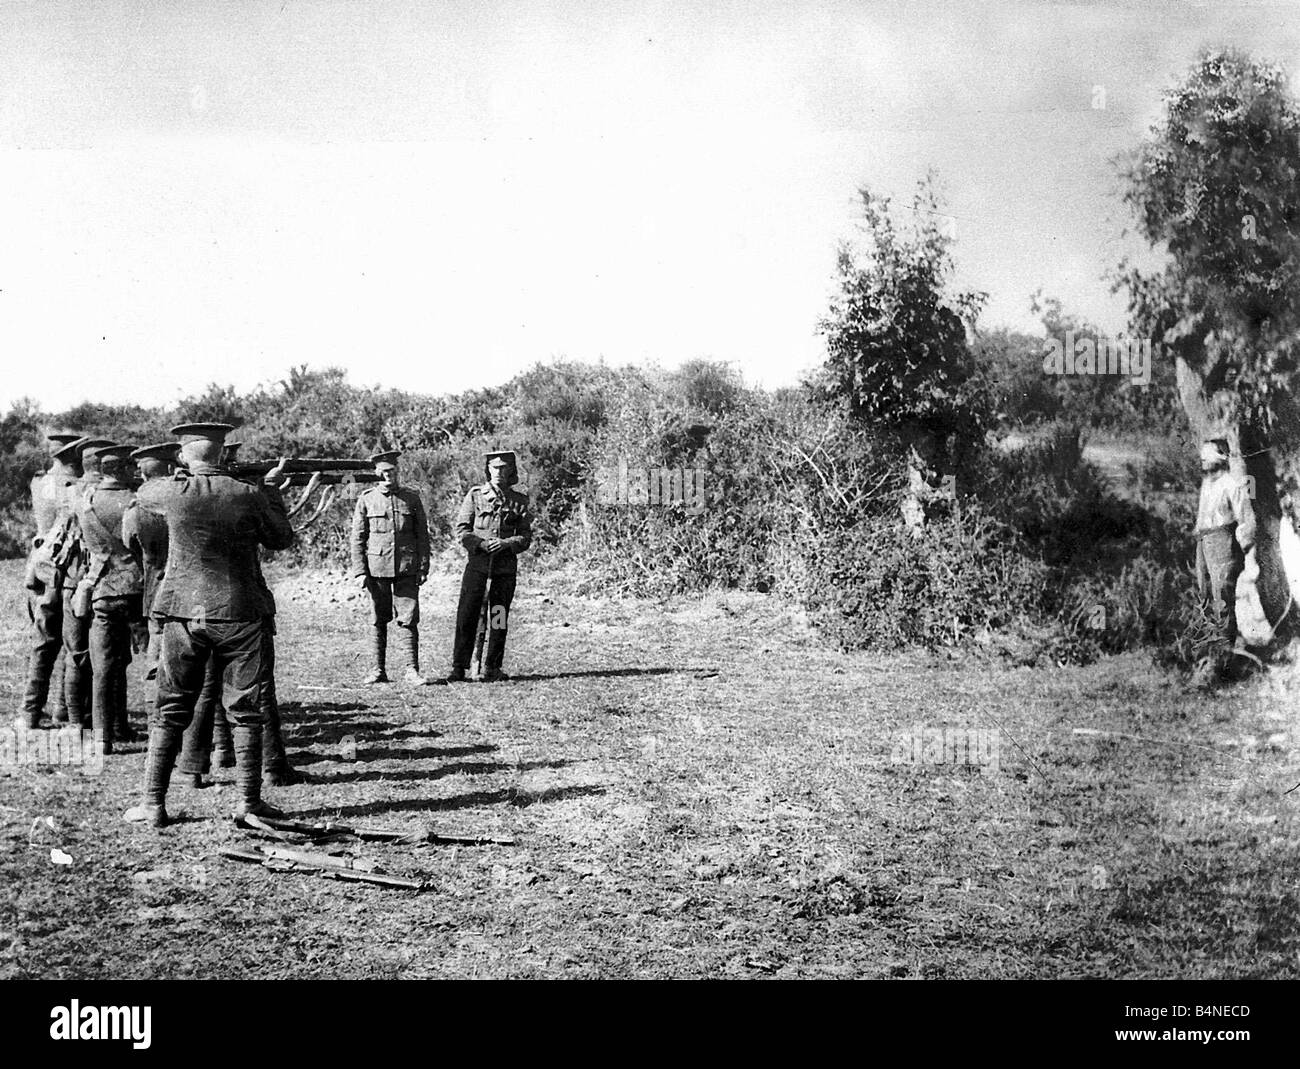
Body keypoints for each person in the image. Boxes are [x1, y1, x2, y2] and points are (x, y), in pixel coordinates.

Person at [123, 423, 294, 828]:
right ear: (221, 455)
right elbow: (281, 538)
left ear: (183, 457)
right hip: (240, 612)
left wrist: (184, 474)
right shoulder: (248, 494)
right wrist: (268, 490)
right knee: (247, 710)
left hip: (184, 612)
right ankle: (248, 804)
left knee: (171, 707)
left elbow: (144, 491)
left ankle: (152, 803)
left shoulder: (170, 492)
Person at [77, 444, 146, 754]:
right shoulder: (134, 501)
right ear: (122, 470)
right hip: (136, 589)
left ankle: (104, 736)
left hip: (102, 590)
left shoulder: (86, 502)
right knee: (150, 660)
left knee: (104, 664)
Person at [350, 450, 436, 685]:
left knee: (408, 619)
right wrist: (359, 571)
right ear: (377, 475)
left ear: (398, 472)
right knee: (378, 619)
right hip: (376, 568)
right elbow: (357, 538)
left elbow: (422, 536)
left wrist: (423, 566)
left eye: (392, 472)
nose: (389, 476)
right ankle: (378, 670)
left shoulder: (411, 498)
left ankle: (411, 670)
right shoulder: (366, 499)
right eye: (384, 473)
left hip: (406, 567)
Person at [448, 450, 532, 682]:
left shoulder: (519, 501)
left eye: (504, 468)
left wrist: (505, 544)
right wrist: (482, 544)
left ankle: (492, 667)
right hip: (477, 567)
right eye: (494, 468)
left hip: (504, 570)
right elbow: (462, 531)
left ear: (511, 471)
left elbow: (525, 537)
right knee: (467, 615)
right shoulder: (475, 496)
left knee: (498, 616)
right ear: (488, 470)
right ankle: (459, 667)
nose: (499, 472)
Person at [19, 433, 83, 728]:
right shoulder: (74, 487)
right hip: (66, 570)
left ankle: (30, 712)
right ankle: (62, 709)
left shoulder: (39, 483)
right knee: (71, 644)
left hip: (40, 567)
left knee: (43, 641)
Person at [52, 437, 116, 726]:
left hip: (74, 582)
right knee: (110, 656)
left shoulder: (71, 493)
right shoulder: (113, 494)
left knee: (76, 654)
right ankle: (113, 723)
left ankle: (75, 722)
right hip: (106, 583)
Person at [1195, 438, 1256, 649]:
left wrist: (1244, 549)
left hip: (1223, 541)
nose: (1203, 459)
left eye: (1208, 455)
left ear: (1221, 456)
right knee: (1203, 589)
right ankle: (1208, 643)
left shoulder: (1233, 484)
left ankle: (1225, 649)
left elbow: (1246, 519)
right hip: (1204, 541)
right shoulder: (1207, 484)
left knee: (1221, 595)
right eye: (1202, 455)